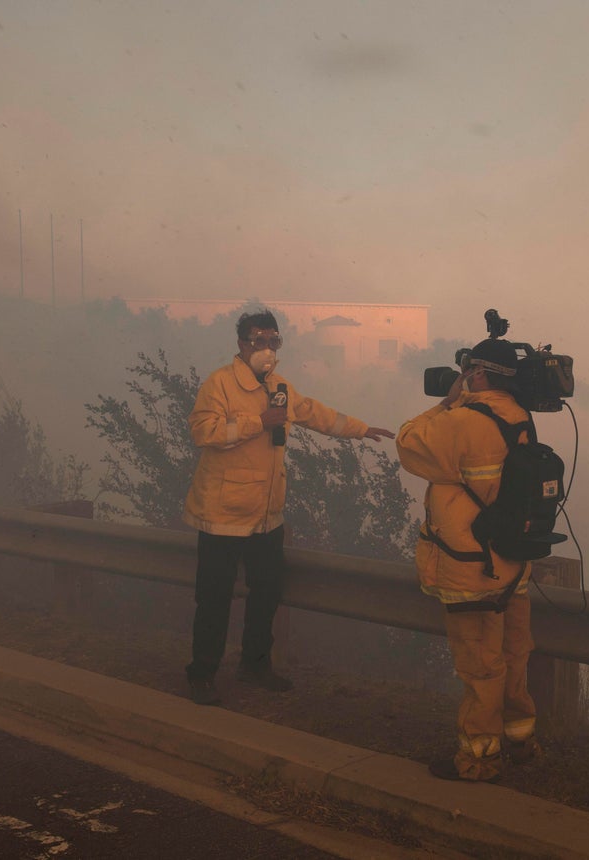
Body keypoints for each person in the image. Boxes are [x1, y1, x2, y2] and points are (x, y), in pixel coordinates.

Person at [182, 309, 395, 705]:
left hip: (267, 516)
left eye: (273, 341)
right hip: (222, 516)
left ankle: (255, 665)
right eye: (257, 341)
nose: (266, 349)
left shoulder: (280, 387)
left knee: (266, 594)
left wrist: (362, 430)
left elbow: (315, 414)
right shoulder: (220, 384)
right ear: (241, 344)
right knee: (214, 599)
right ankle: (202, 674)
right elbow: (203, 432)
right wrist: (258, 422)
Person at [395, 337, 543, 782]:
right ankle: (520, 739)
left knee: (480, 668)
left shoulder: (462, 421)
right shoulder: (518, 416)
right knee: (514, 657)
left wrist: (445, 404)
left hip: (470, 566)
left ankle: (478, 760)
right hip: (512, 561)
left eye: (465, 370)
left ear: (477, 374)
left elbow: (407, 444)